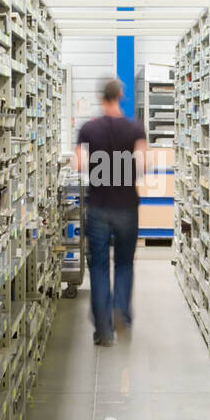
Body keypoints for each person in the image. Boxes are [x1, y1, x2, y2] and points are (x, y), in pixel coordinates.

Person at [73, 78, 147, 346]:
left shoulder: (88, 129)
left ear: (101, 98)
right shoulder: (135, 128)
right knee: (125, 264)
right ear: (121, 96)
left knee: (100, 267)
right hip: (127, 206)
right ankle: (122, 314)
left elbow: (79, 164)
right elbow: (143, 165)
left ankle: (104, 328)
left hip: (99, 207)